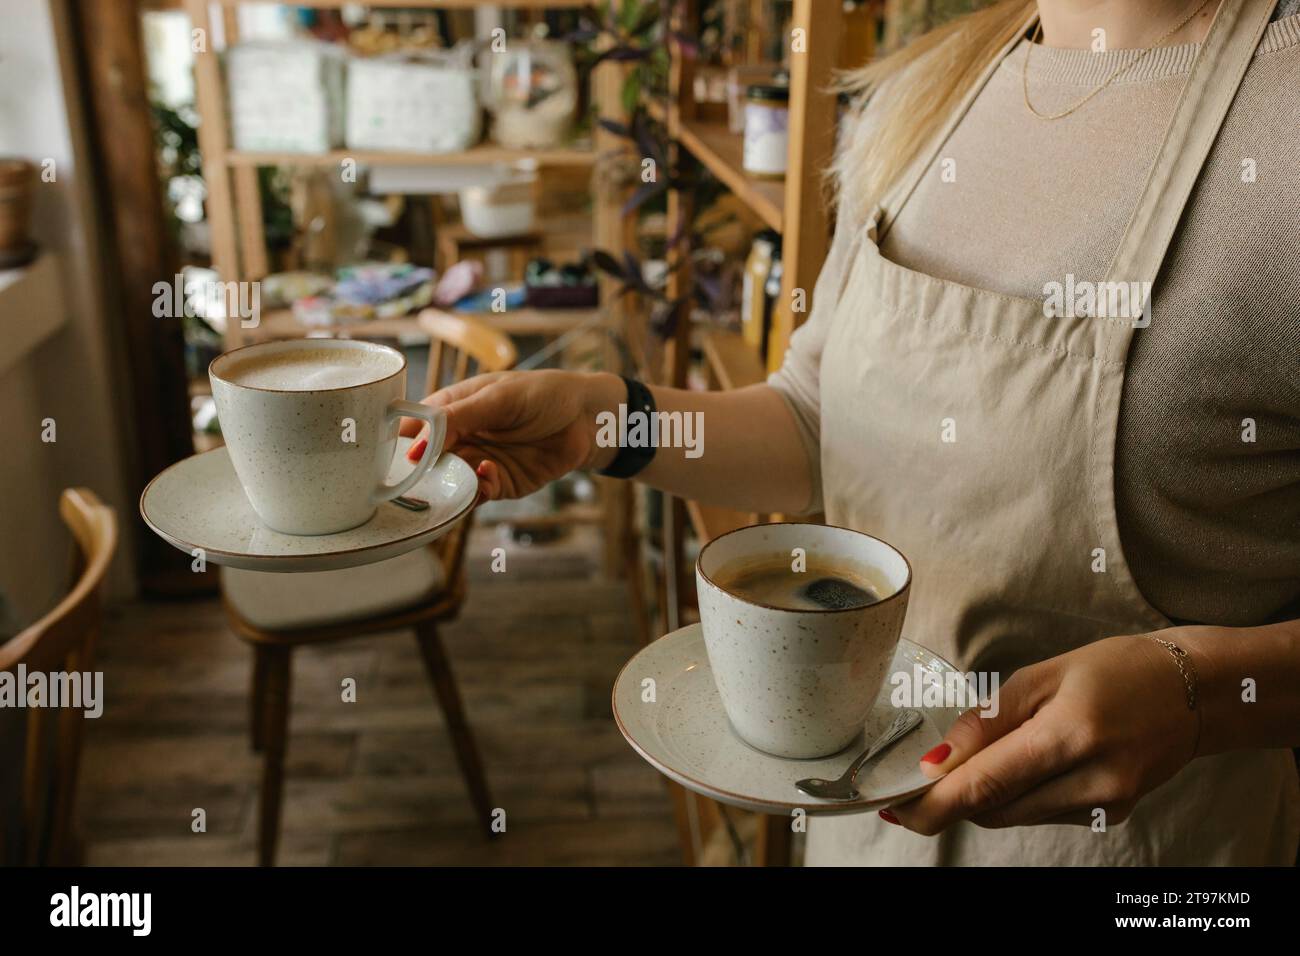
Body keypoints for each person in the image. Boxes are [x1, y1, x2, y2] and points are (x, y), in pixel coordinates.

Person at [403, 0, 1300, 865]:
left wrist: (1203, 694)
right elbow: (818, 418)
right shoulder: (923, 91)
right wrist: (606, 419)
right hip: (861, 808)